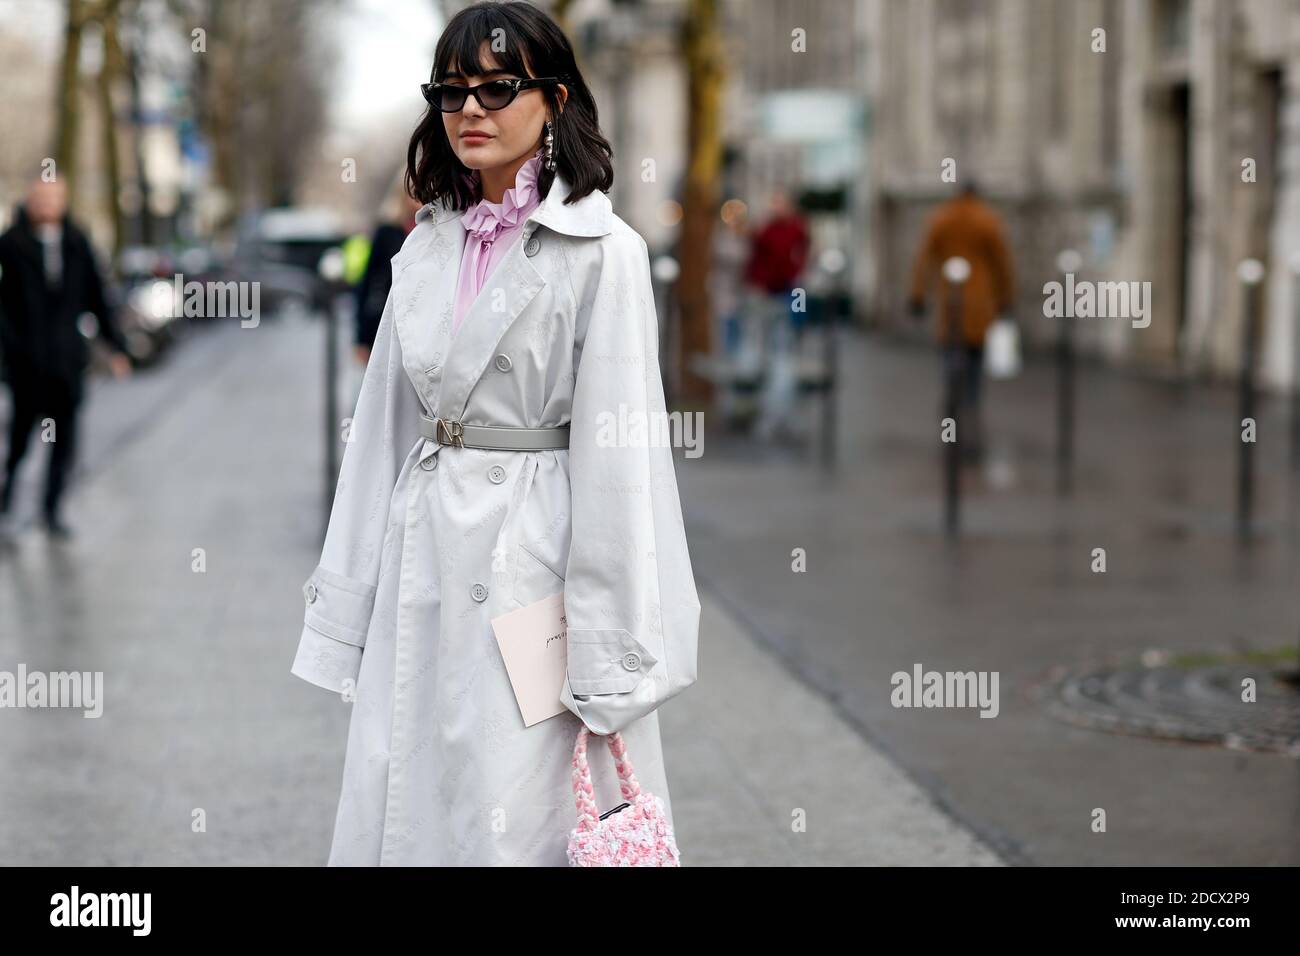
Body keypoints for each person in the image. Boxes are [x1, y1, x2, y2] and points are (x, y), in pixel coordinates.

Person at [289, 0, 701, 866]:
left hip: (536, 571)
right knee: (414, 796)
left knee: (521, 808)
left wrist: (610, 649)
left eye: (497, 86)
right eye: (450, 91)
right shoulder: (425, 245)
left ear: (553, 99)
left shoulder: (604, 250)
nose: (470, 109)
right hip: (424, 556)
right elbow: (381, 440)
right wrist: (345, 609)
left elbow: (623, 459)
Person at [0, 177, 132, 536]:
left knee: (64, 441)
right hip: (27, 366)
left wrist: (116, 347)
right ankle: (7, 499)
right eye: (40, 198)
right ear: (29, 200)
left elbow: (96, 298)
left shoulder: (77, 244)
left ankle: (51, 510)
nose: (46, 204)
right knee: (20, 439)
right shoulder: (10, 245)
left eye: (53, 198)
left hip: (66, 364)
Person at [907, 179, 1014, 461]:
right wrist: (1005, 299)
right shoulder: (987, 220)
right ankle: (970, 430)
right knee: (974, 378)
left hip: (950, 306)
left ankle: (951, 430)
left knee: (950, 371)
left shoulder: (942, 218)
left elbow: (924, 258)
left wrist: (917, 295)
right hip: (979, 306)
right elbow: (1003, 264)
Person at [352, 177, 422, 365]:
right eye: (413, 194)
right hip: (387, 318)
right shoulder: (387, 232)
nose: (419, 199)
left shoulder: (437, 230)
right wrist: (361, 339)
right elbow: (367, 282)